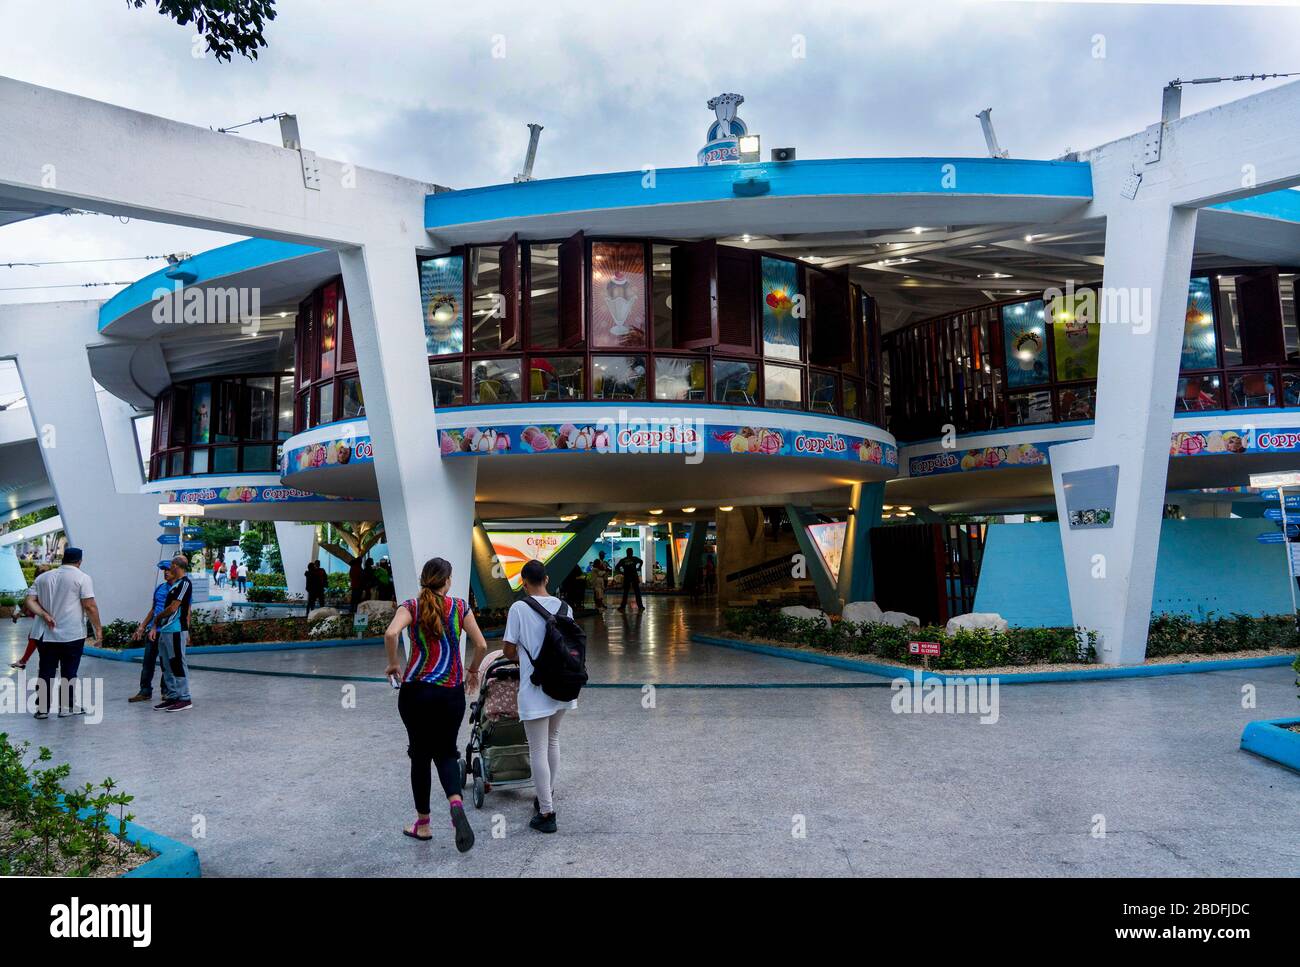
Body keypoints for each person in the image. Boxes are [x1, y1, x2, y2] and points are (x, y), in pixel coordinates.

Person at [383, 557, 487, 853]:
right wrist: (472, 671)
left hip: (416, 692)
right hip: (450, 694)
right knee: (445, 752)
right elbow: (481, 645)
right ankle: (455, 802)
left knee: (419, 755)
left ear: (424, 580)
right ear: (448, 581)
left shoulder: (412, 607)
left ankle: (424, 824)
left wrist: (393, 664)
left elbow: (391, 633)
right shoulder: (459, 606)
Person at [502, 559, 578, 834]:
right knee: (553, 740)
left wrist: (523, 655)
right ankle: (545, 795)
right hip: (563, 683)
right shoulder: (565, 607)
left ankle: (547, 812)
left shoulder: (518, 608)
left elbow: (508, 650)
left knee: (537, 748)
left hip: (535, 687)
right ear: (546, 579)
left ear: (524, 583)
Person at [24, 547, 102, 719]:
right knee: (69, 671)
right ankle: (66, 707)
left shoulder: (43, 577)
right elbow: (89, 606)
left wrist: (44, 614)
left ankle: (42, 709)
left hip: (45, 634)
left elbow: (29, 600)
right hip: (71, 634)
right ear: (79, 561)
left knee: (46, 670)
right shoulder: (82, 578)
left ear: (62, 559)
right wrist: (98, 629)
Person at [145, 555, 194, 712]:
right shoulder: (175, 584)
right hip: (165, 630)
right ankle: (172, 696)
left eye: (171, 565)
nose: (168, 568)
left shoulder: (185, 584)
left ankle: (184, 698)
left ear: (176, 566)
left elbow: (174, 607)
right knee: (166, 664)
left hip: (175, 629)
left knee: (177, 662)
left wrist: (158, 618)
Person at [127, 562, 177, 703]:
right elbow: (153, 609)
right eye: (164, 570)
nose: (165, 572)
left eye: (168, 570)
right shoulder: (160, 588)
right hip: (153, 632)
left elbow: (185, 611)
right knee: (148, 662)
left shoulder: (179, 589)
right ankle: (145, 691)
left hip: (169, 631)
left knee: (166, 664)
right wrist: (142, 626)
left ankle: (166, 691)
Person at [615, 547, 644, 611]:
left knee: (630, 592)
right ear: (630, 552)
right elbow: (641, 561)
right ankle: (640, 606)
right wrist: (639, 568)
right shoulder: (633, 559)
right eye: (630, 552)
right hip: (631, 577)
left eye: (630, 552)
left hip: (630, 577)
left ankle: (623, 607)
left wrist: (621, 572)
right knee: (634, 592)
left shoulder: (625, 560)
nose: (630, 553)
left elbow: (617, 567)